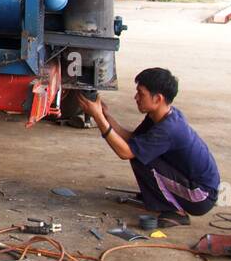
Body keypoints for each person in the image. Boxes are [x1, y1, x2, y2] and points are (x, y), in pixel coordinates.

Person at [76, 68, 220, 224]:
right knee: (139, 152)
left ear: (158, 99)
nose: (136, 97)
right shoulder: (161, 115)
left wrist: (98, 117)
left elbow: (125, 152)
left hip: (201, 196)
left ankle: (176, 212)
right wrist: (104, 115)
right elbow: (131, 138)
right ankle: (160, 197)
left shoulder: (168, 129)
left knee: (140, 158)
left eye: (141, 94)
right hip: (197, 185)